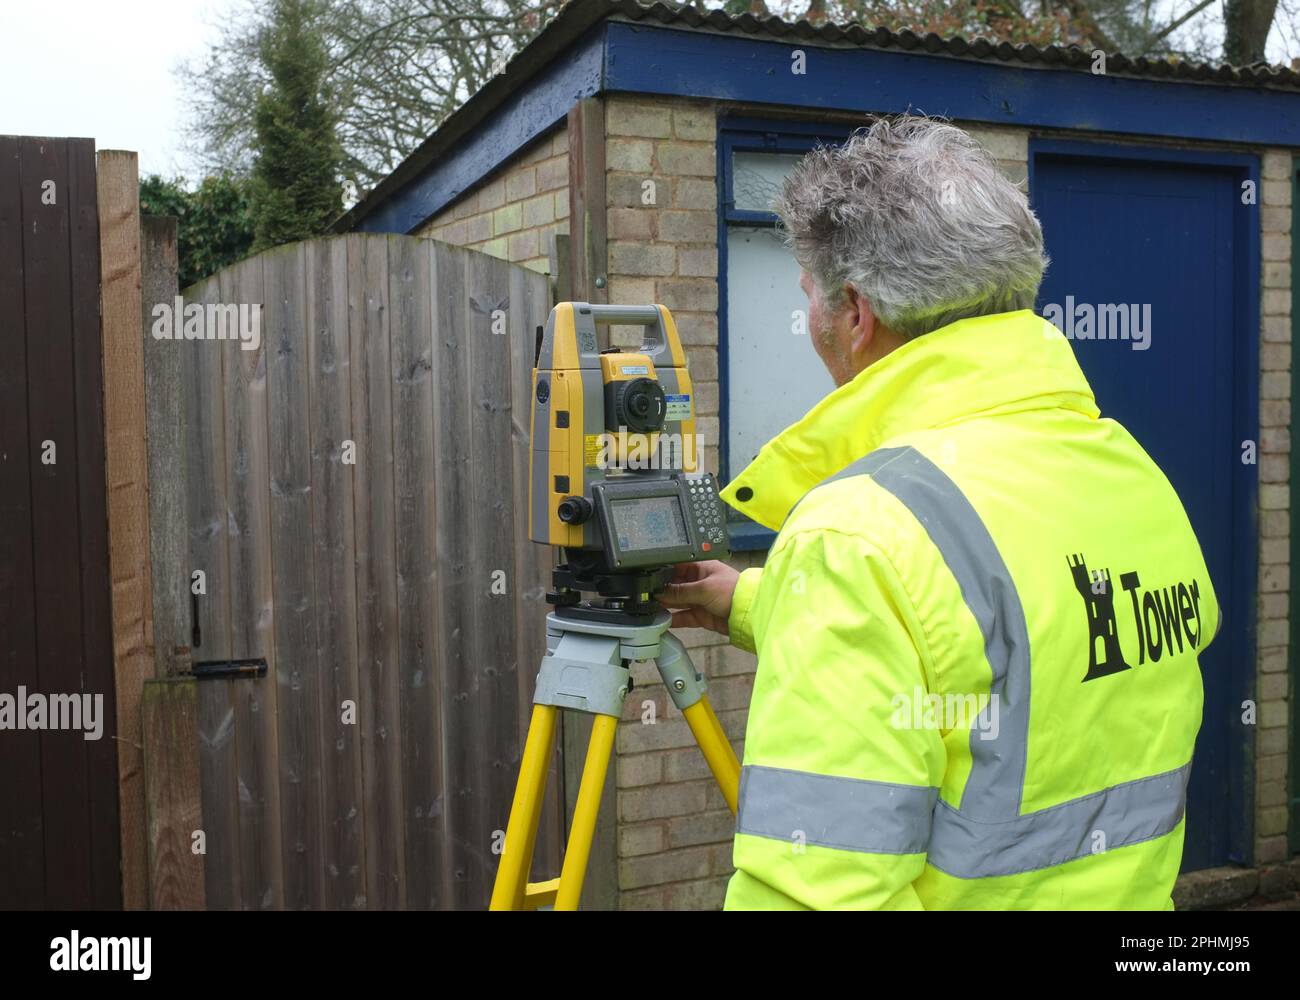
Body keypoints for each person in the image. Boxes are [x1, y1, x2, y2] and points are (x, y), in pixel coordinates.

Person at [659, 115, 1219, 910]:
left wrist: (824, 586)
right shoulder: (1132, 475)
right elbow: (1010, 654)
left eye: (809, 294)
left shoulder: (859, 536)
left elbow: (824, 896)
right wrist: (753, 602)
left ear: (855, 313)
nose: (807, 318)